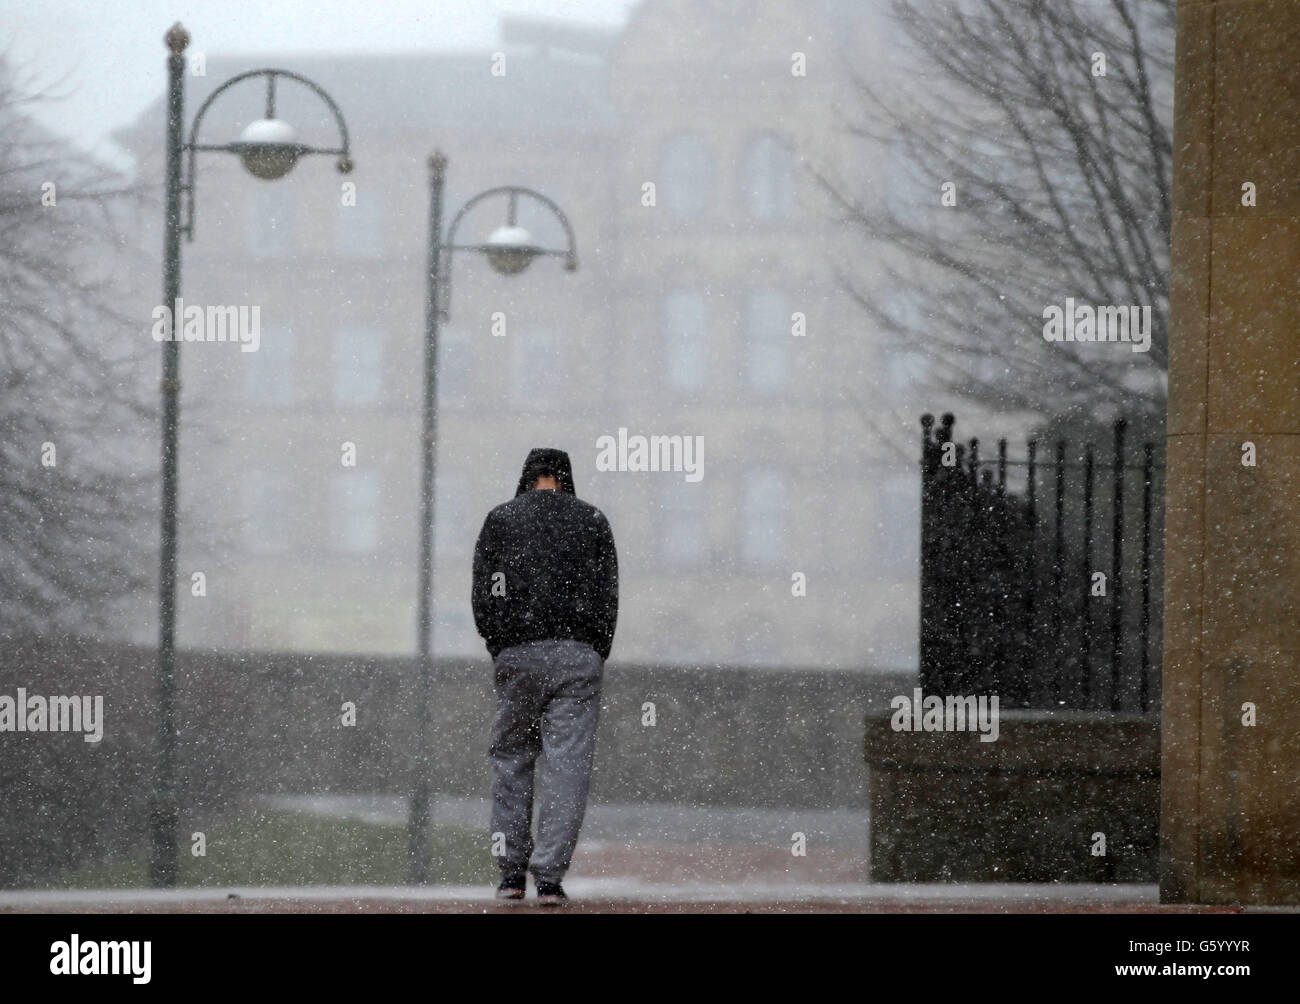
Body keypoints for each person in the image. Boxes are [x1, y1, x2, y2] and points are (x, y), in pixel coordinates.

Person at [471, 447, 618, 905]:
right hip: (577, 658)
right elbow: (606, 594)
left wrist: (500, 645)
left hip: (519, 656)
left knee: (511, 759)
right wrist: (594, 648)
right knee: (567, 767)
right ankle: (551, 879)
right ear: (564, 477)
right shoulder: (592, 521)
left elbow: (486, 590)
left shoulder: (500, 520)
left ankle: (510, 874)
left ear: (527, 477)